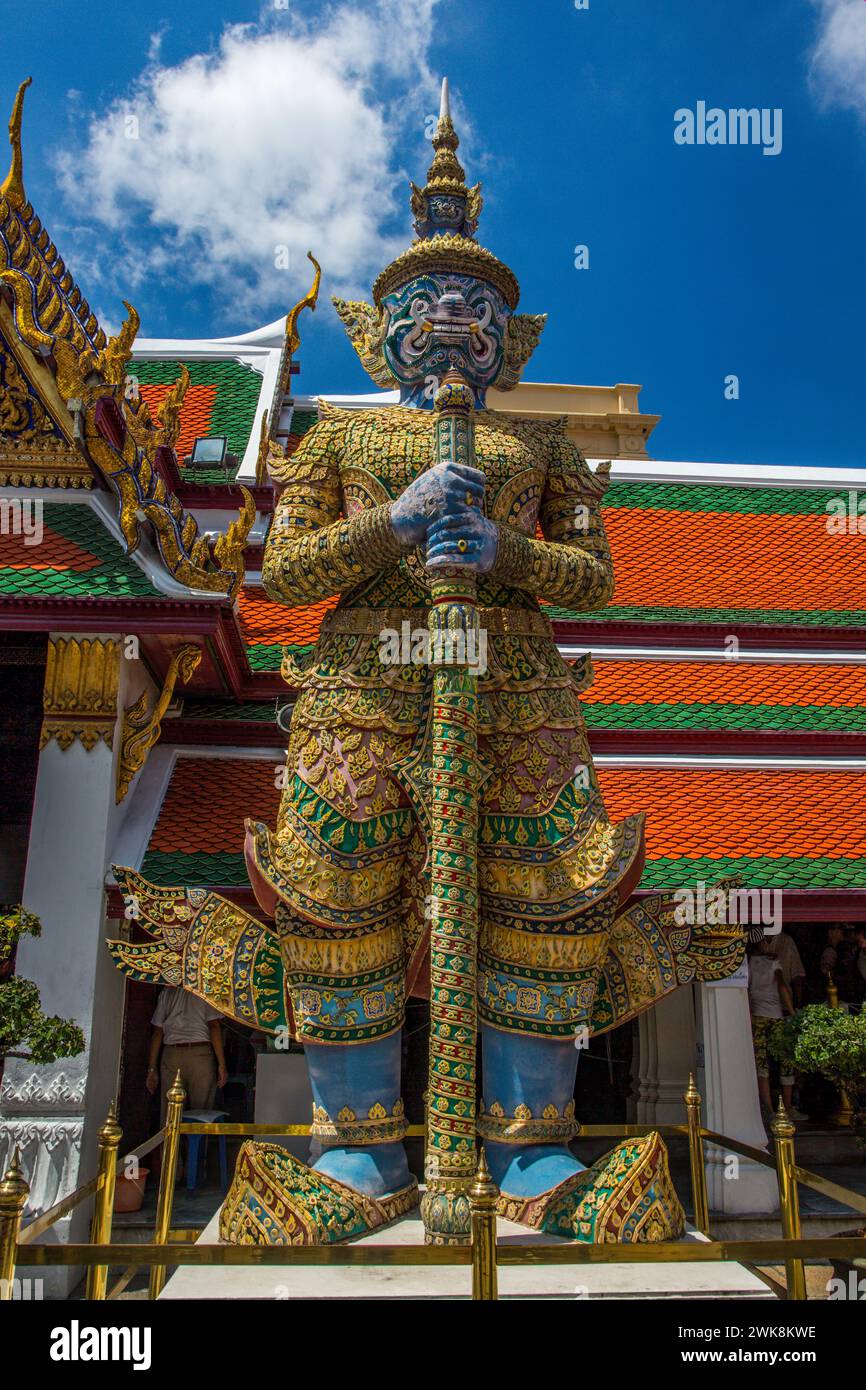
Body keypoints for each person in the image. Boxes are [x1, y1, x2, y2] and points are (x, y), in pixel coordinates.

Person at [145, 985, 227, 1121]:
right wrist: (222, 1064)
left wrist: (152, 1068)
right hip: (200, 1055)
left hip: (171, 1054)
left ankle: (169, 1141)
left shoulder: (167, 993)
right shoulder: (206, 990)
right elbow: (214, 1026)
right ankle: (196, 1141)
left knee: (170, 1111)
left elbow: (158, 1032)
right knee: (201, 1113)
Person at [747, 935, 795, 1124]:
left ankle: (771, 1109)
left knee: (762, 1062)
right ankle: (786, 1108)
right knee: (784, 1059)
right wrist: (791, 1012)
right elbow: (782, 986)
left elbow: (746, 989)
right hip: (774, 1014)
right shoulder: (771, 961)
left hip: (759, 1015)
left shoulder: (751, 962)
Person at [772, 929, 806, 1008]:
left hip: (784, 1005)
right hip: (763, 1007)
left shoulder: (787, 941)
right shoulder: (757, 940)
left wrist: (797, 1006)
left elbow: (797, 975)